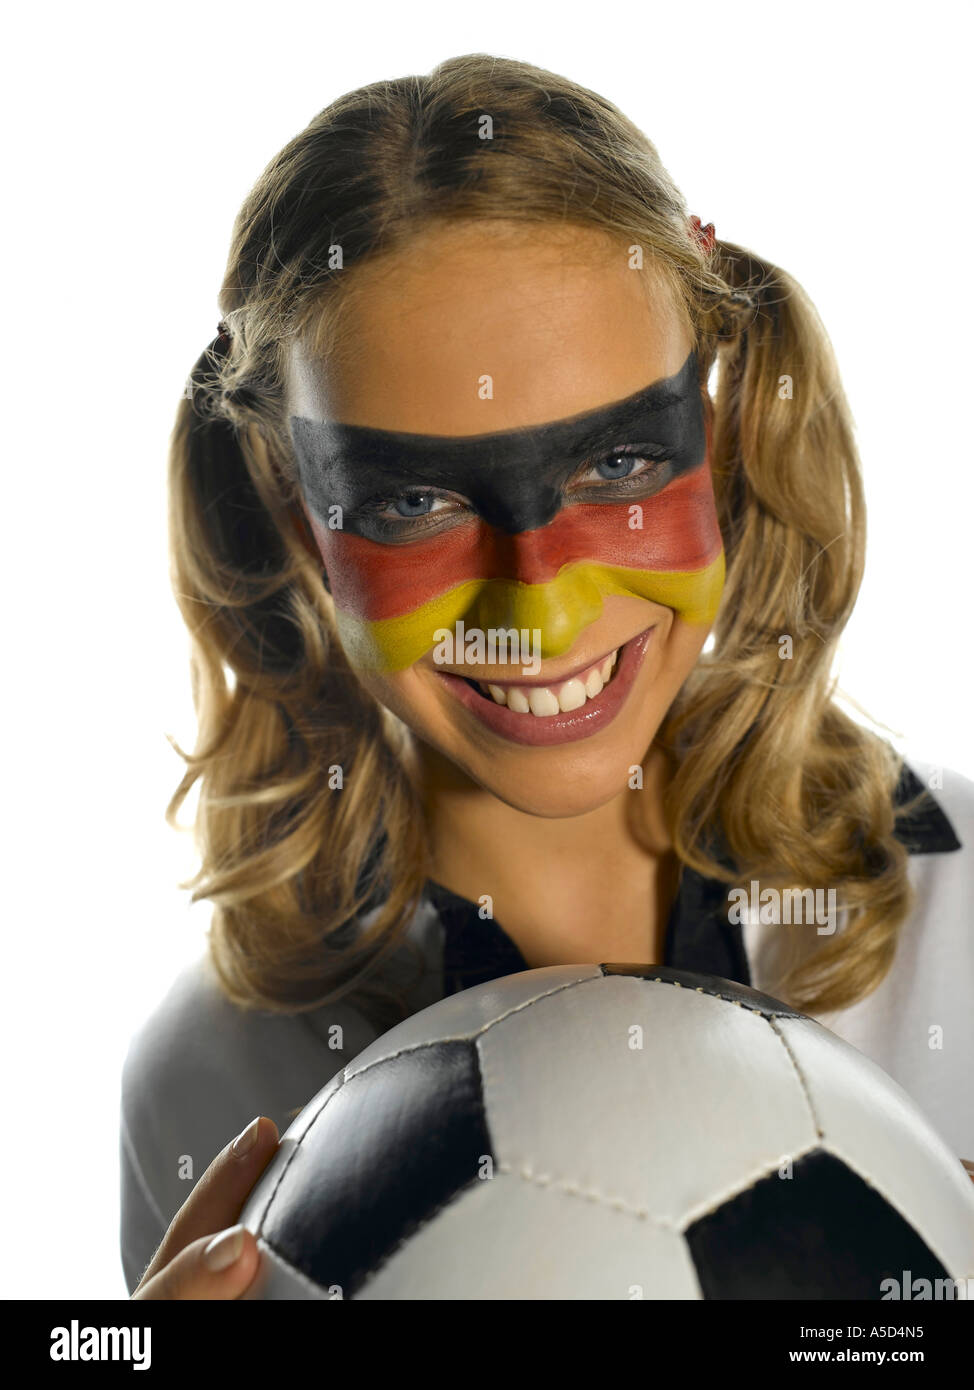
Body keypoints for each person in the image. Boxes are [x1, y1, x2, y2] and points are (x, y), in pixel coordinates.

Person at [120, 52, 974, 1299]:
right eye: (412, 499)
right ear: (295, 509)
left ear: (719, 436)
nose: (536, 600)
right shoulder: (207, 1075)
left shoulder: (959, 917)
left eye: (620, 466)